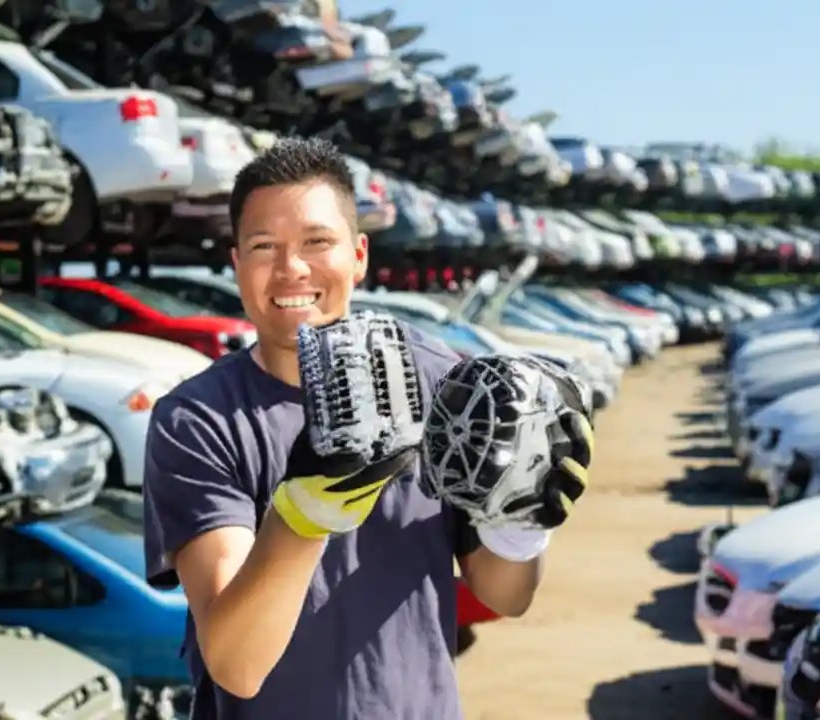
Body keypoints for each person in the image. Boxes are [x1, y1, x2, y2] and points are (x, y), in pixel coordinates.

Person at [142, 137, 590, 719]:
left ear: (358, 256)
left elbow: (503, 592)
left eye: (316, 242)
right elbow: (237, 665)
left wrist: (525, 520)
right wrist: (302, 517)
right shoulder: (197, 419)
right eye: (263, 246)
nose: (291, 268)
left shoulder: (442, 386)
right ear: (236, 264)